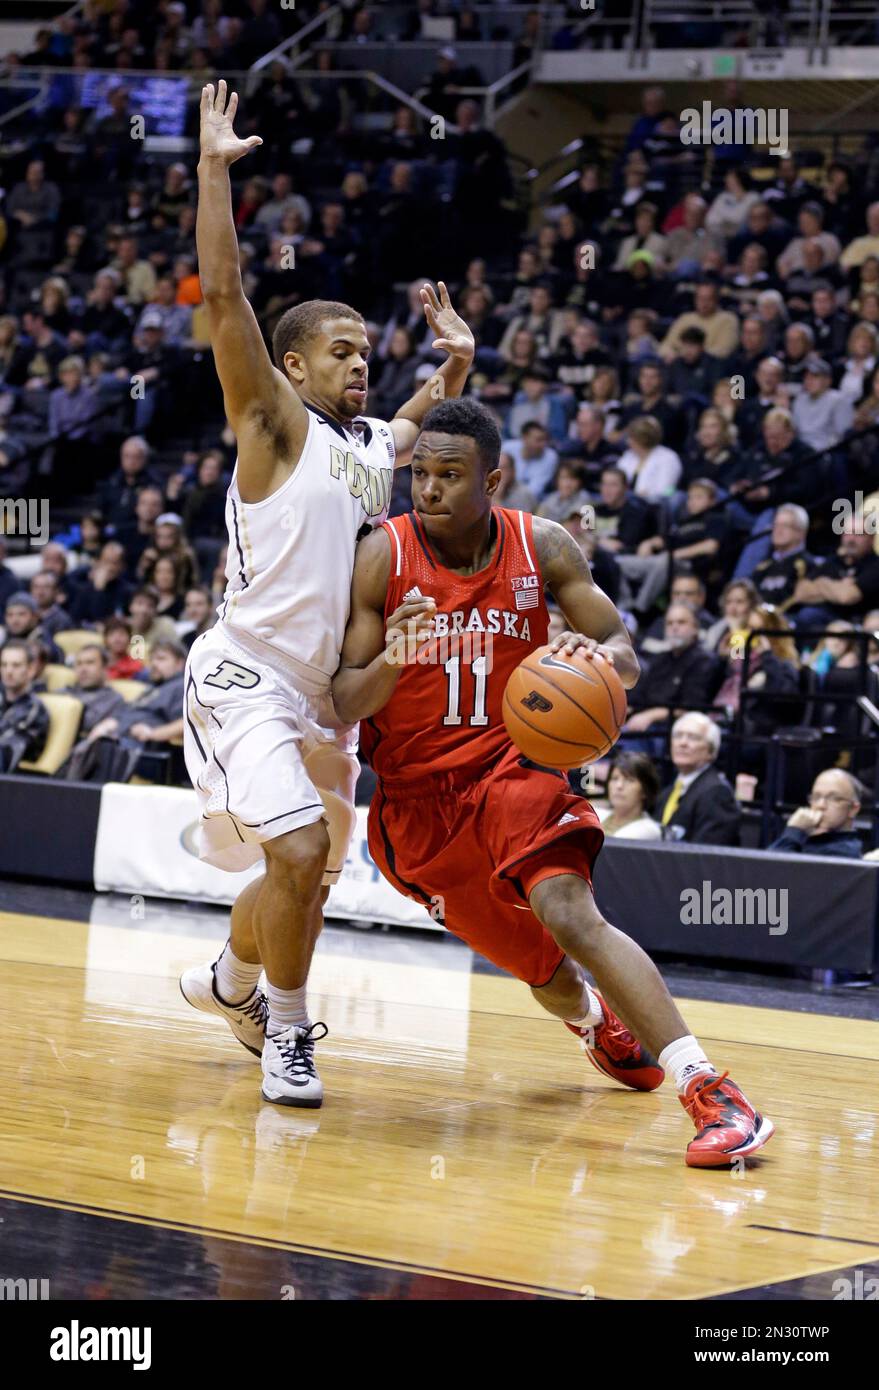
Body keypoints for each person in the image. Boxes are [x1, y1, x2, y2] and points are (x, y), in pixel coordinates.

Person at [331, 397, 771, 1167]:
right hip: (419, 806)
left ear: (493, 480)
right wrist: (391, 661)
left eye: (448, 475)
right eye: (420, 474)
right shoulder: (383, 555)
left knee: (568, 912)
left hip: (516, 769)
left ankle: (709, 1090)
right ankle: (595, 1021)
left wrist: (600, 661)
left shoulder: (546, 547)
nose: (427, 490)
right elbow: (343, 700)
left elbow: (620, 650)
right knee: (543, 970)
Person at [179, 82, 476, 1110]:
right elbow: (222, 301)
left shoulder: (366, 448)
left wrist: (457, 364)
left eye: (366, 349)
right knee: (300, 849)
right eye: (341, 351)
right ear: (293, 364)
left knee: (301, 874)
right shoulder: (274, 422)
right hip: (244, 674)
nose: (361, 362)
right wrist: (215, 171)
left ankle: (231, 980)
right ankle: (291, 1036)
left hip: (322, 691)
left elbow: (406, 424)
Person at [654, 713, 741, 846]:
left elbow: (705, 854)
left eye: (693, 738)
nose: (682, 743)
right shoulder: (668, 791)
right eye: (678, 736)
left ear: (711, 751)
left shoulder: (717, 793)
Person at [768, 769, 864, 859]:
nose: (820, 805)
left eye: (834, 798)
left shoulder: (843, 851)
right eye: (816, 797)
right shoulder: (807, 837)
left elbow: (772, 870)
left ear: (853, 809)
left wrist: (794, 830)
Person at [0, 639, 49, 771]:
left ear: (31, 669)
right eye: (4, 665)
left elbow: (9, 748)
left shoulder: (34, 709)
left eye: (16, 665)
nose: (8, 671)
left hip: (15, 778)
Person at [594, 752, 662, 840]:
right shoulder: (596, 814)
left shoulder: (649, 830)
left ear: (645, 790)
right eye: (615, 778)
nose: (619, 786)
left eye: (630, 780)